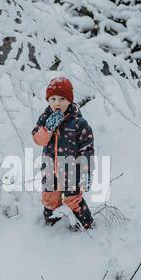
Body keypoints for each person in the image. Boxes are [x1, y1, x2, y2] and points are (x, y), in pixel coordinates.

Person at [31, 75, 95, 230]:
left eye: (61, 99)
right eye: (52, 99)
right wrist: (48, 128)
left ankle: (87, 224)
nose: (57, 103)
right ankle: (52, 226)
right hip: (49, 168)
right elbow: (39, 140)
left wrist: (86, 172)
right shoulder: (45, 118)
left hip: (71, 170)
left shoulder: (79, 123)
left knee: (73, 199)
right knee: (49, 199)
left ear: (70, 101)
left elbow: (87, 149)